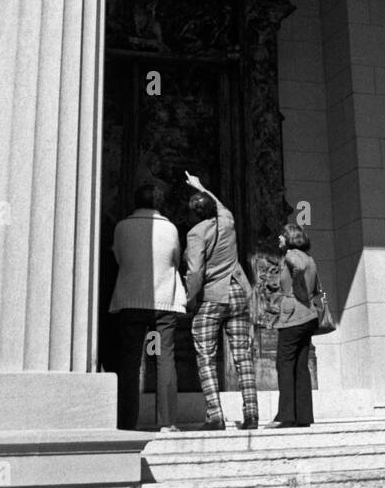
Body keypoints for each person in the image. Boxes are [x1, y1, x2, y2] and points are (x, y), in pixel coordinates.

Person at [109, 182, 186, 432]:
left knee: (129, 363)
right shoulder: (170, 228)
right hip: (164, 299)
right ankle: (167, 421)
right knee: (165, 358)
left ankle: (126, 421)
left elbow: (118, 257)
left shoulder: (122, 227)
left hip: (130, 299)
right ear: (160, 204)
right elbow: (176, 259)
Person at [184, 171, 258, 431]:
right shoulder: (227, 221)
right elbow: (221, 206)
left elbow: (194, 272)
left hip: (214, 296)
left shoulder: (196, 233)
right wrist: (201, 186)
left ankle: (215, 414)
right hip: (238, 291)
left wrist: (189, 300)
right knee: (243, 356)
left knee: (205, 355)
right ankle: (252, 414)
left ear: (194, 213)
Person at [268, 223, 319, 429]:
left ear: (290, 238)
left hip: (293, 316)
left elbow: (296, 268)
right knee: (300, 365)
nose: (279, 238)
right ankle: (303, 416)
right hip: (309, 316)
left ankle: (285, 415)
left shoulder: (291, 255)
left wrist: (297, 290)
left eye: (282, 235)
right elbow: (317, 288)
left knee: (285, 364)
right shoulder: (310, 258)